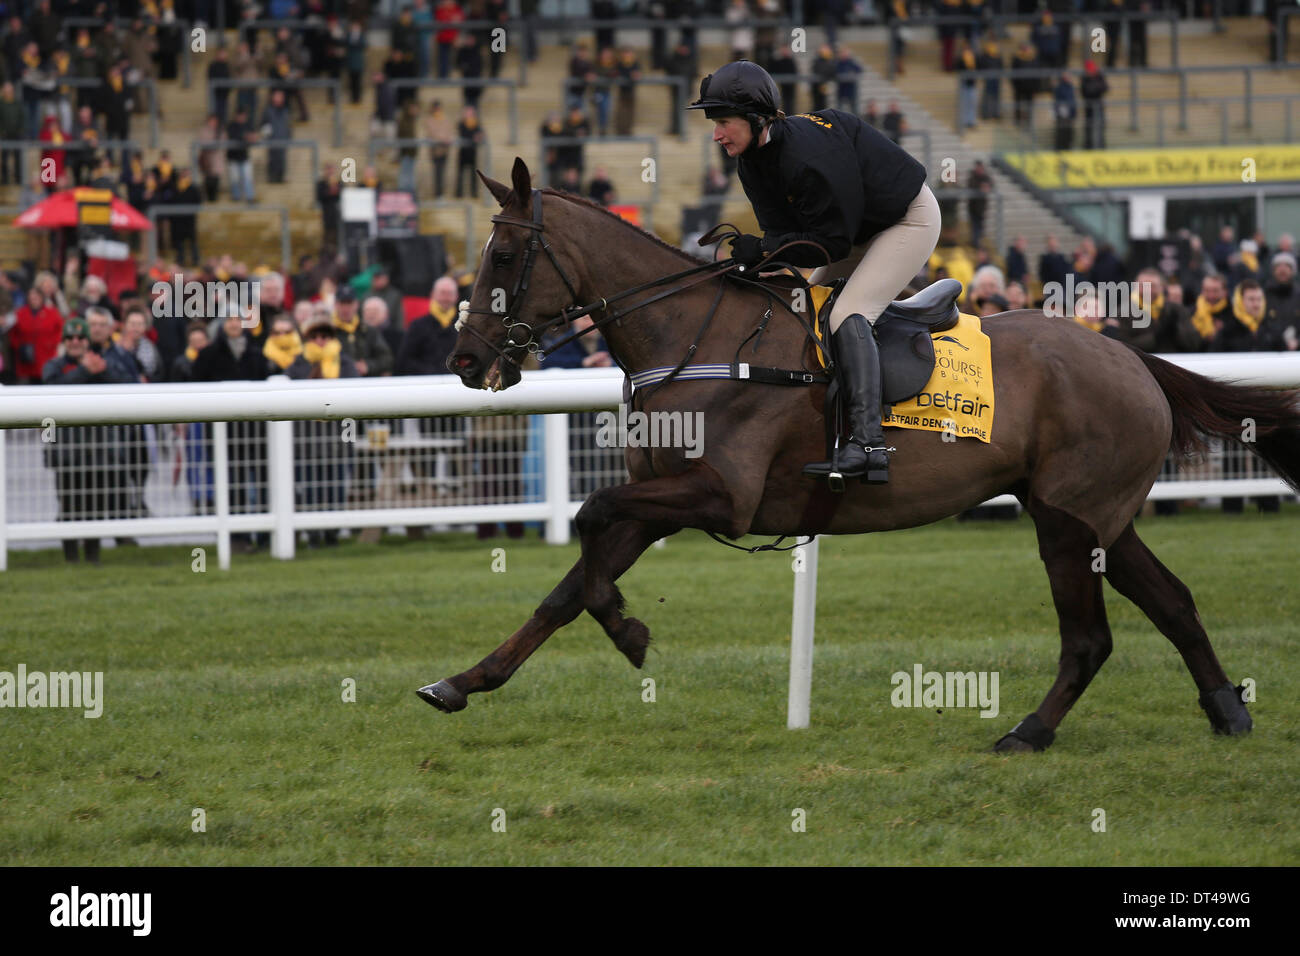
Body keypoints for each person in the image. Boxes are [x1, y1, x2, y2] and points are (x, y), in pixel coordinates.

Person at [687, 60, 936, 483]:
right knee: (797, 303)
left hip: (906, 221)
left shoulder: (808, 155)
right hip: (851, 229)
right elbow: (784, 236)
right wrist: (759, 260)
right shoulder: (751, 160)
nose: (716, 134)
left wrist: (765, 248)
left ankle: (869, 444)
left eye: (724, 122)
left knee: (845, 316)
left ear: (755, 118)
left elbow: (831, 244)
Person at [42, 315, 136, 563]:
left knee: (95, 505)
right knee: (69, 506)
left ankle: (93, 557)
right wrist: (85, 370)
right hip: (67, 451)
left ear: (87, 341)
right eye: (70, 338)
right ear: (64, 341)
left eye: (80, 337)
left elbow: (130, 385)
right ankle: (71, 557)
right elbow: (51, 389)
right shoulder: (55, 366)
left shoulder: (103, 363)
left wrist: (102, 371)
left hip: (99, 450)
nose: (75, 341)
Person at [1080, 60, 1108, 151]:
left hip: (1099, 105)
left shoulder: (1099, 76)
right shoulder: (1084, 78)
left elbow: (1105, 88)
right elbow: (1086, 91)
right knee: (1089, 126)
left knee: (1100, 125)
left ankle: (1101, 145)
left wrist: (1094, 87)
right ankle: (1088, 146)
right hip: (1089, 106)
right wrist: (1096, 87)